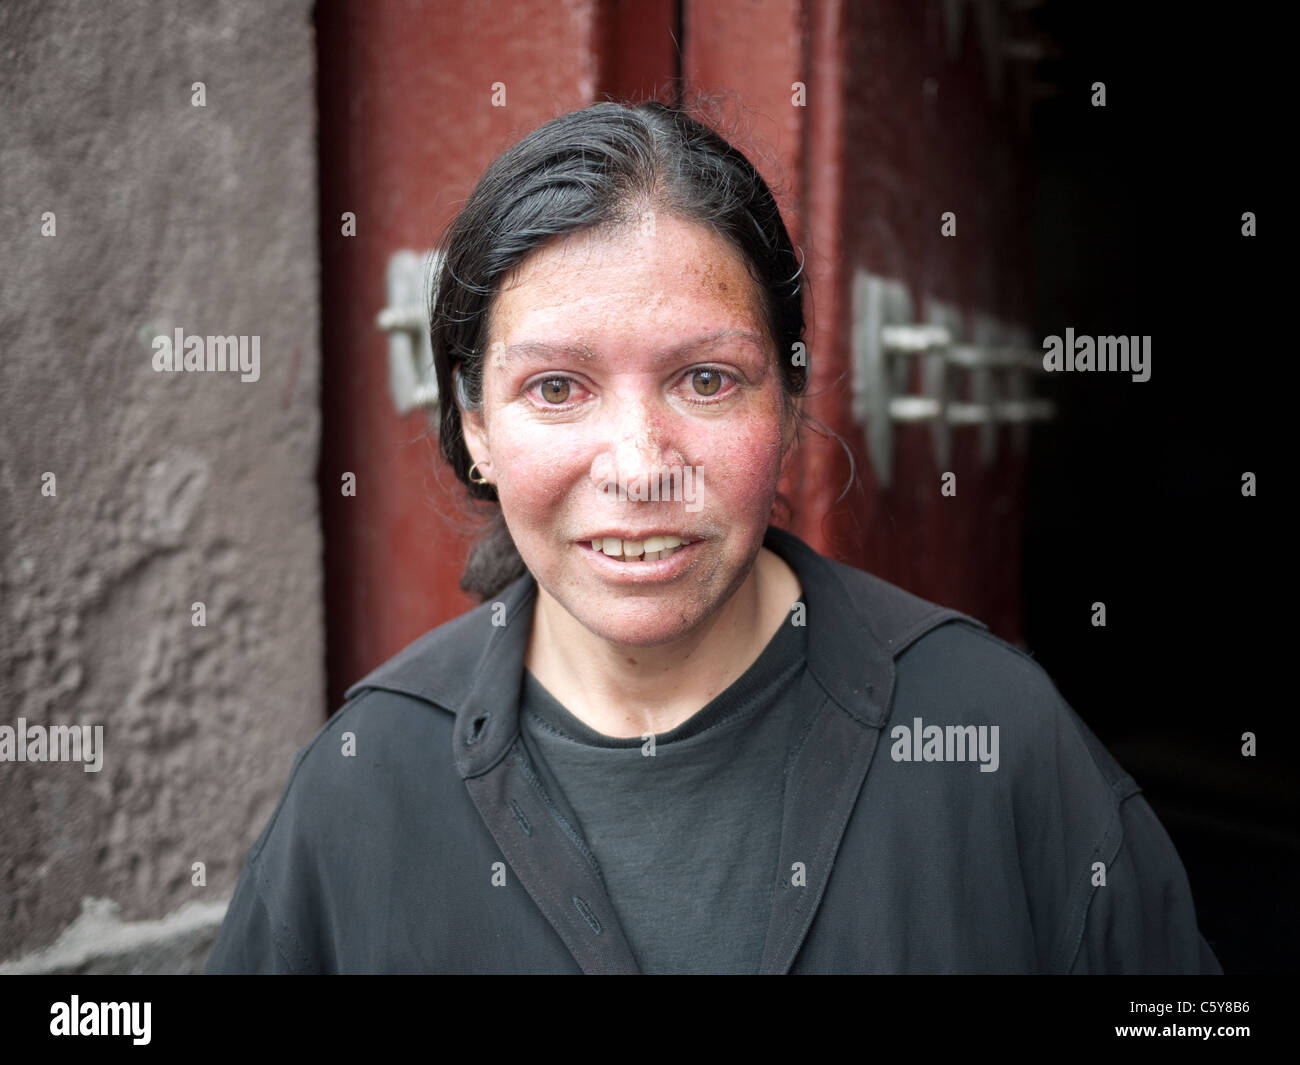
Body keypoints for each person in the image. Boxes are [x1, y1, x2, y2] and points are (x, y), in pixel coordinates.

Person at [206, 100, 1220, 974]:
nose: (640, 464)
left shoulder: (992, 733)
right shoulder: (367, 776)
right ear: (475, 427)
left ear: (785, 406)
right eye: (555, 388)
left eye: (706, 379)